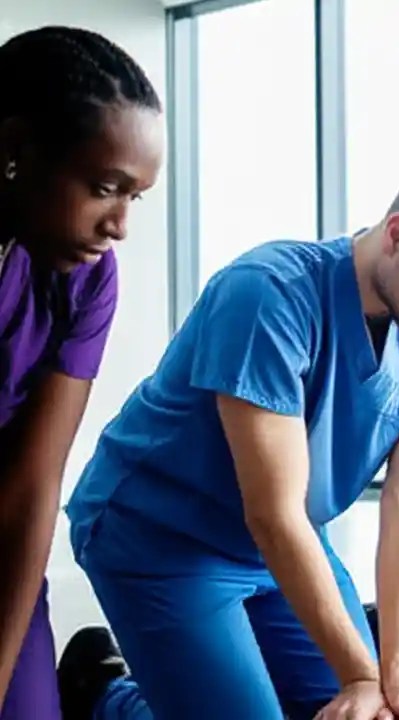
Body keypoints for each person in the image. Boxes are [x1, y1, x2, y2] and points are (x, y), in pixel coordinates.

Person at [57, 155, 399, 720]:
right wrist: (360, 672)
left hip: (292, 537)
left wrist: (393, 668)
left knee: (368, 710)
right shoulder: (268, 294)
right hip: (164, 537)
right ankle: (102, 693)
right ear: (397, 234)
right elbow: (272, 513)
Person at [0, 26, 164, 720]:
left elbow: (33, 486)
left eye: (136, 197)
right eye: (104, 188)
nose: (119, 225)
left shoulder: (86, 279)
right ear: (15, 151)